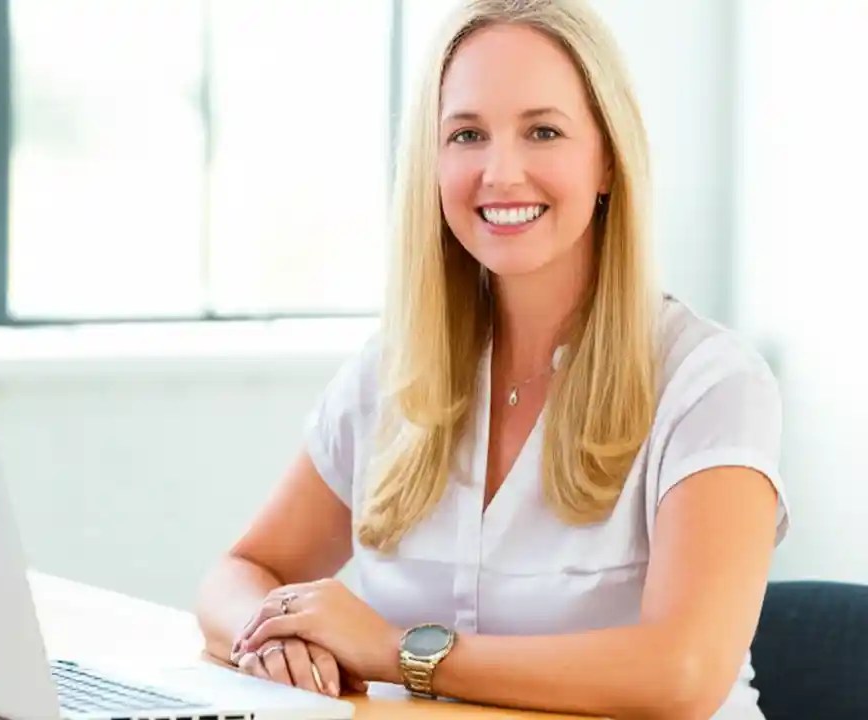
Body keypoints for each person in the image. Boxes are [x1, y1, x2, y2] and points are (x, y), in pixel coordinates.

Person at [193, 1, 790, 718]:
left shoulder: (710, 384)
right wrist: (279, 638)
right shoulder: (391, 372)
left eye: (543, 131)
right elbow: (240, 574)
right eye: (467, 134)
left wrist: (392, 650)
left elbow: (681, 672)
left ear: (606, 159)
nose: (501, 172)